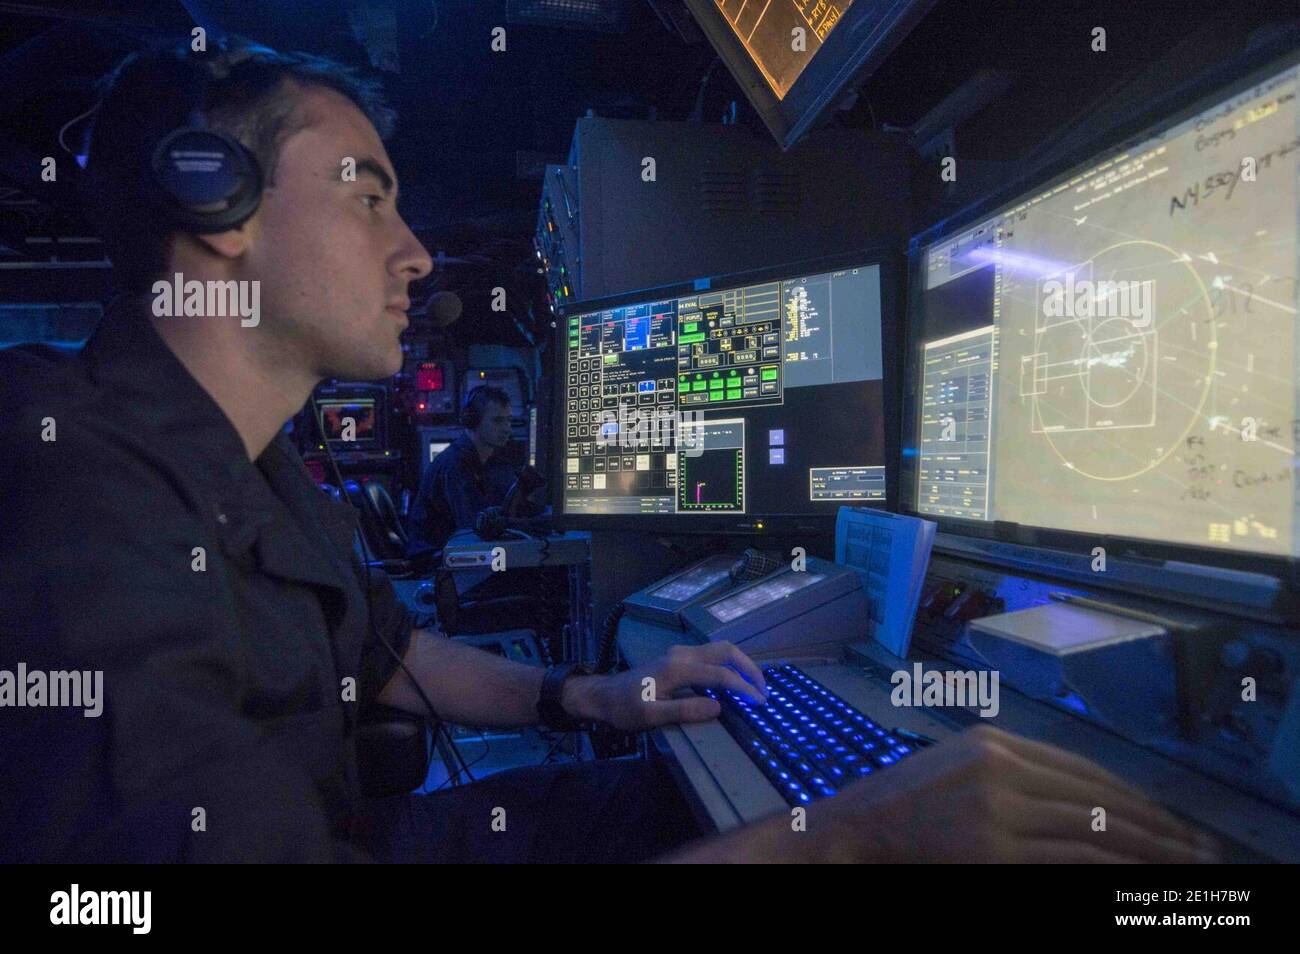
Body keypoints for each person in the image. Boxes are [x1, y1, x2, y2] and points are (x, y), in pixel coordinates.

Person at [0, 37, 1218, 864]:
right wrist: (852, 842)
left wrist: (582, 695)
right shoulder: (62, 483)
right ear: (217, 209)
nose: (417, 250)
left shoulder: (255, 464)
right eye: (368, 194)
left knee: (654, 794)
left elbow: (385, 652)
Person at [406, 384, 536, 559]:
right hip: (437, 560)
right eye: (498, 421)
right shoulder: (455, 465)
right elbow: (473, 527)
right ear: (472, 421)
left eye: (509, 420)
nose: (508, 429)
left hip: (457, 552)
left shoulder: (483, 462)